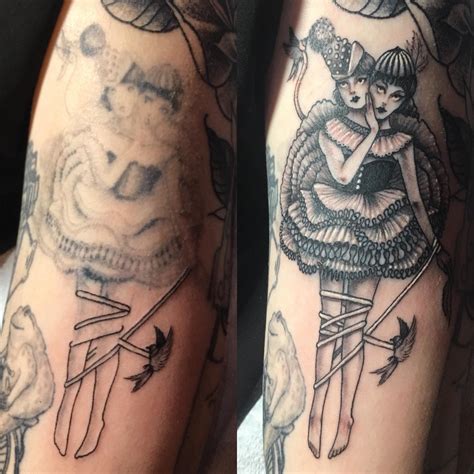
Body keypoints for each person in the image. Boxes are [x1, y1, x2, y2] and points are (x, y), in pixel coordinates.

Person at [280, 18, 448, 459]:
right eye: (379, 90)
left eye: (396, 96)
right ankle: (317, 409)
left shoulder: (403, 141)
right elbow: (341, 174)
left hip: (378, 228)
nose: (383, 101)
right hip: (332, 219)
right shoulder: (331, 128)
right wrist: (371, 132)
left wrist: (433, 244)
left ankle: (345, 416)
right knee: (330, 323)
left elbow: (415, 198)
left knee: (353, 328)